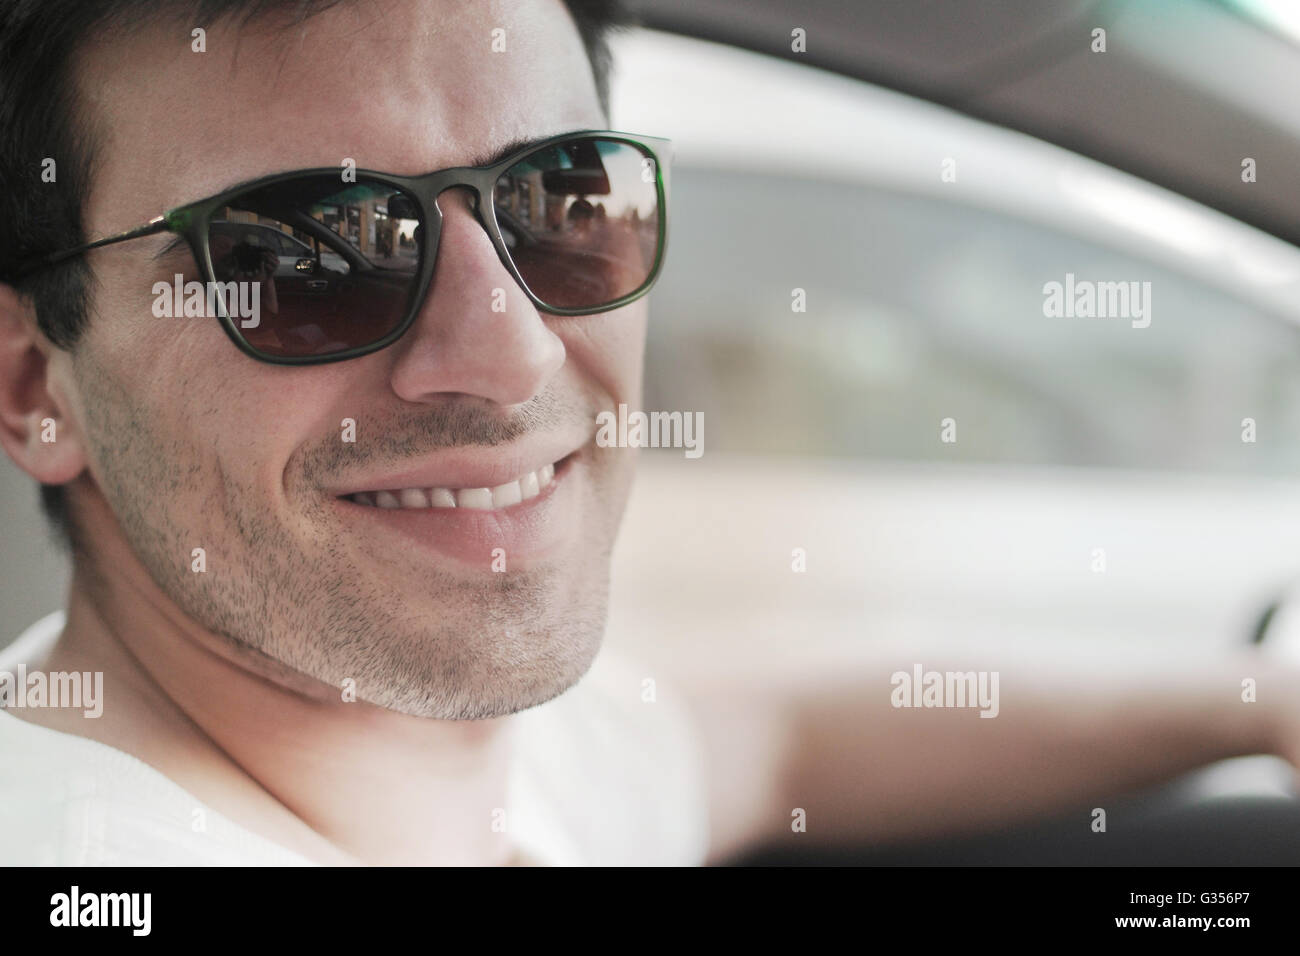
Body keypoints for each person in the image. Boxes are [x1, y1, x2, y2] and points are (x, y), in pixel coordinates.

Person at [0, 0, 1297, 867]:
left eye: (560, 199)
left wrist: (1255, 702)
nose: (506, 352)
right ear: (30, 384)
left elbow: (765, 737)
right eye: (307, 255)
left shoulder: (474, 770)